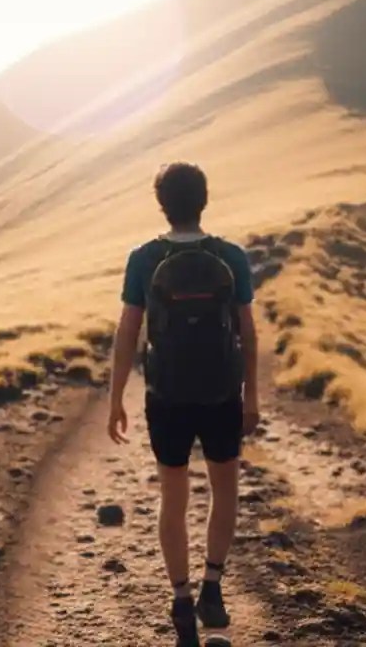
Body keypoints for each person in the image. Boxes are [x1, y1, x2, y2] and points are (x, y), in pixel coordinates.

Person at [107, 162, 260, 647]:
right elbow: (247, 332)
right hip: (221, 394)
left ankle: (180, 598)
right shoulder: (230, 257)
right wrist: (252, 394)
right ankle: (212, 586)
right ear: (203, 200)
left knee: (172, 497)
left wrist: (116, 398)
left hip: (167, 396)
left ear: (162, 204)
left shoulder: (143, 258)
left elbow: (128, 331)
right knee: (224, 489)